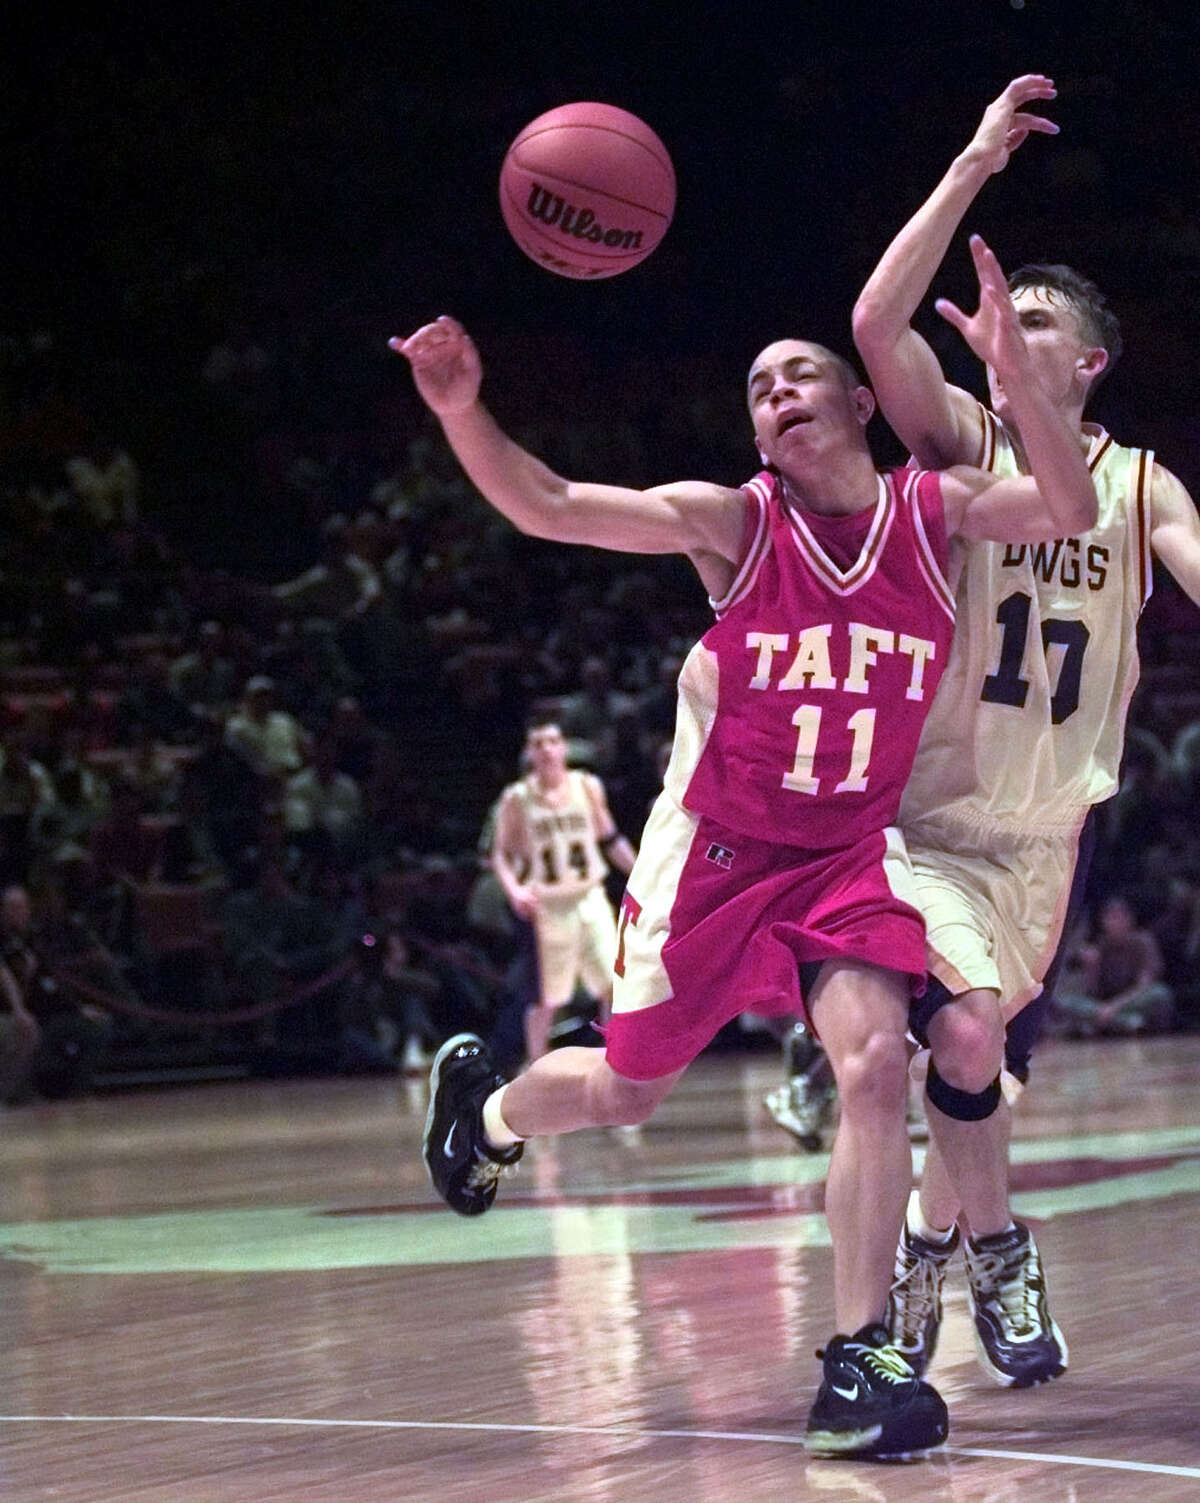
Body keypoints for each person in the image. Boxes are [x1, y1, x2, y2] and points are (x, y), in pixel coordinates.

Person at [393, 230, 1096, 1462]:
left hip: (842, 854)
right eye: (758, 389)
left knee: (878, 1062)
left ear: (862, 403)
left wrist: (1020, 388)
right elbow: (547, 504)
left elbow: (1072, 503)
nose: (775, 396)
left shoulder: (934, 516)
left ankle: (859, 1360)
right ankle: (488, 1111)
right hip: (717, 857)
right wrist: (463, 410)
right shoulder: (732, 525)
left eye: (797, 377)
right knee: (627, 1088)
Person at [850, 75, 1200, 1389]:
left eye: (1037, 317)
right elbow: (879, 322)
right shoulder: (968, 436)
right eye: (1006, 308)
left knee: (970, 1057)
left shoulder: (1139, 483)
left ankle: (938, 1250)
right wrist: (972, 163)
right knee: (960, 1033)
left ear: (1090, 359)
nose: (1010, 319)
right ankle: (992, 1253)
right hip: (923, 821)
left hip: (1047, 845)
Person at [490, 718, 637, 1063]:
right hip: (549, 905)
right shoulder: (518, 798)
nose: (546, 749)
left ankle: (612, 1059)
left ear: (564, 748)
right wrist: (514, 891)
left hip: (590, 896)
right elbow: (500, 855)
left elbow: (610, 838)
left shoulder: (587, 786)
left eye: (552, 741)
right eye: (537, 743)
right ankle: (536, 1064)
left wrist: (640, 872)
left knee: (612, 984)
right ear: (529, 753)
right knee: (548, 999)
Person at [1051, 892, 1174, 1036]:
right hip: (1105, 1003)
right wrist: (1092, 967)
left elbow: (1143, 986)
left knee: (1161, 993)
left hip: (1132, 1001)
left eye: (1119, 917)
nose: (1114, 923)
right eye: (1110, 918)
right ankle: (1127, 1022)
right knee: (1065, 1001)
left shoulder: (1143, 942)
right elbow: (1093, 991)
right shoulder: (1102, 945)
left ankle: (1112, 1022)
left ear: (1129, 920)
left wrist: (1112, 1007)